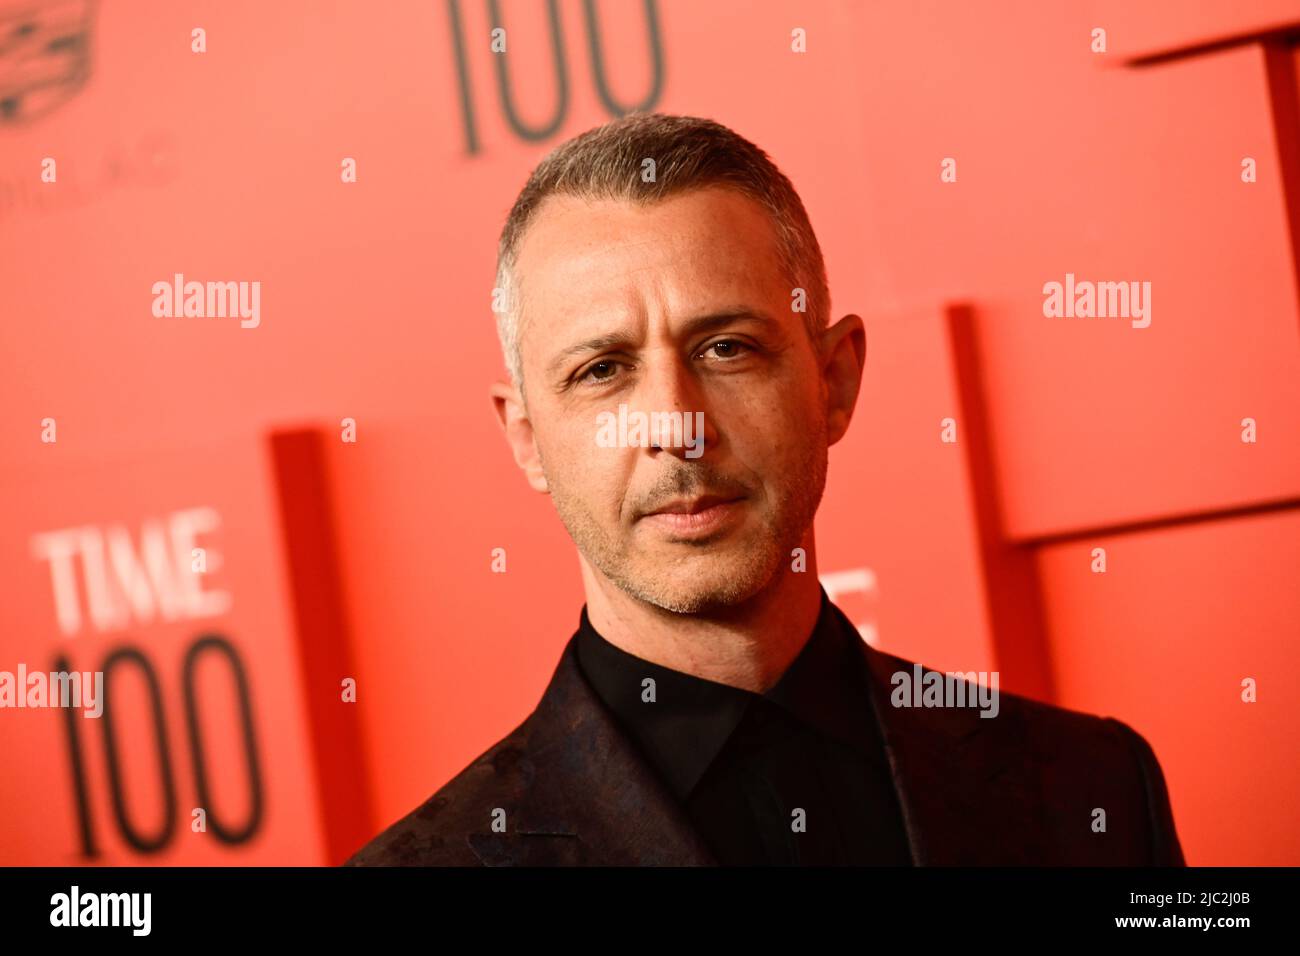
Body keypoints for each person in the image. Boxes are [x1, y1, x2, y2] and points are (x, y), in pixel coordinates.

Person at [345, 112, 1184, 866]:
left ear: (836, 381)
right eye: (603, 371)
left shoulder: (1094, 790)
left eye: (726, 350)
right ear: (527, 439)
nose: (676, 424)